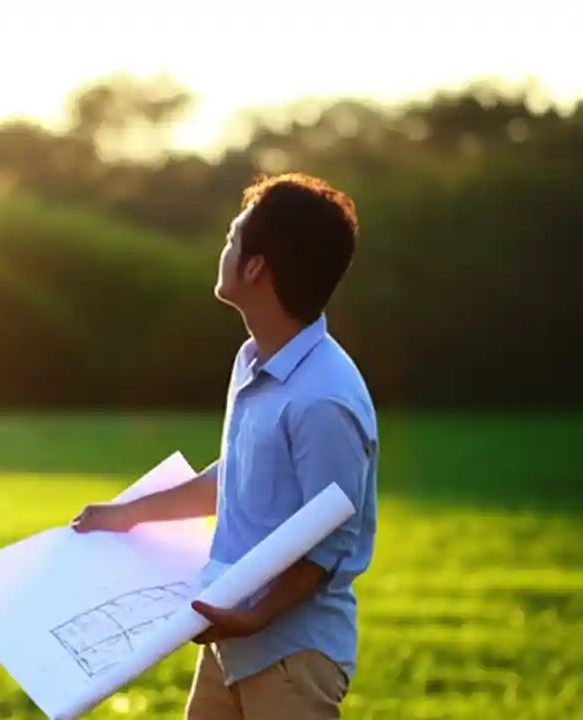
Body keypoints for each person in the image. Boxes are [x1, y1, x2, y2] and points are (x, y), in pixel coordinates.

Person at [71, 173, 378, 720]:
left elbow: (330, 541)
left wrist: (255, 619)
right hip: (228, 641)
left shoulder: (324, 398)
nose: (225, 249)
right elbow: (234, 480)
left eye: (232, 239)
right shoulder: (254, 360)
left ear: (255, 268)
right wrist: (127, 514)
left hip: (291, 655)